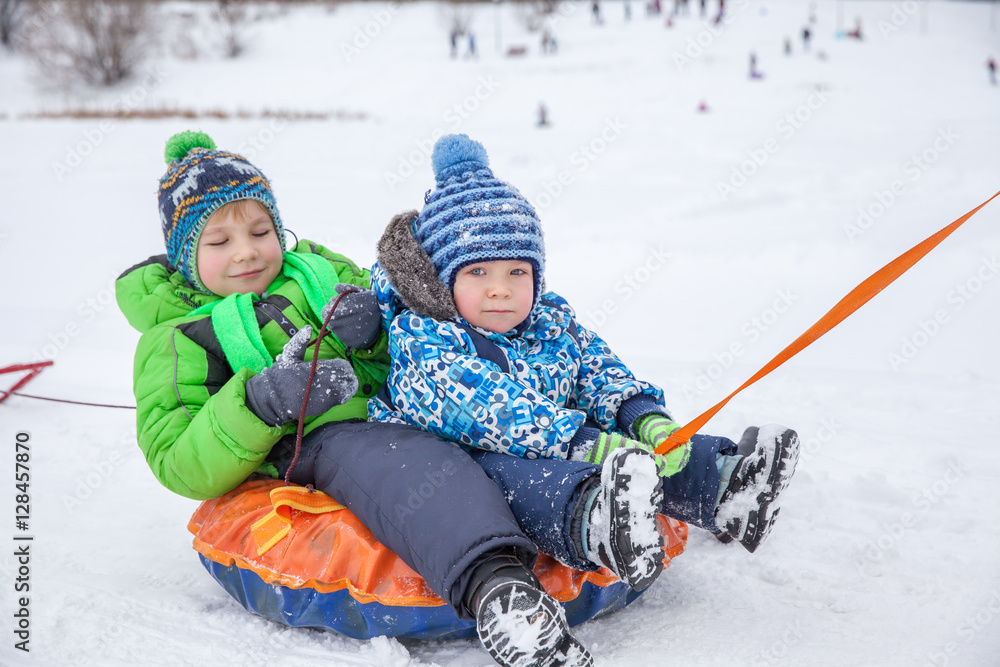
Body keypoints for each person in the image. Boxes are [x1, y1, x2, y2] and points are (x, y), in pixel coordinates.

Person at [117, 130, 658, 667]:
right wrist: (260, 403)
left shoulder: (319, 272)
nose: (247, 252)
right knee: (415, 468)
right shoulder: (177, 339)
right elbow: (177, 461)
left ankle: (592, 517)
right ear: (184, 253)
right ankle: (500, 591)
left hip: (398, 406)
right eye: (219, 242)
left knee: (490, 446)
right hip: (315, 443)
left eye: (261, 230)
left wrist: (374, 327)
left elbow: (398, 323)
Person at [369, 134, 801, 579]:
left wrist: (640, 415)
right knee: (508, 475)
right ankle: (598, 524)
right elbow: (486, 409)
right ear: (442, 282)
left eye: (517, 272)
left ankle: (728, 489)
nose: (500, 288)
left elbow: (594, 368)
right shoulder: (424, 336)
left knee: (640, 452)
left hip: (558, 435)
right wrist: (583, 445)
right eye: (478, 272)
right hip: (467, 455)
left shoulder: (548, 318)